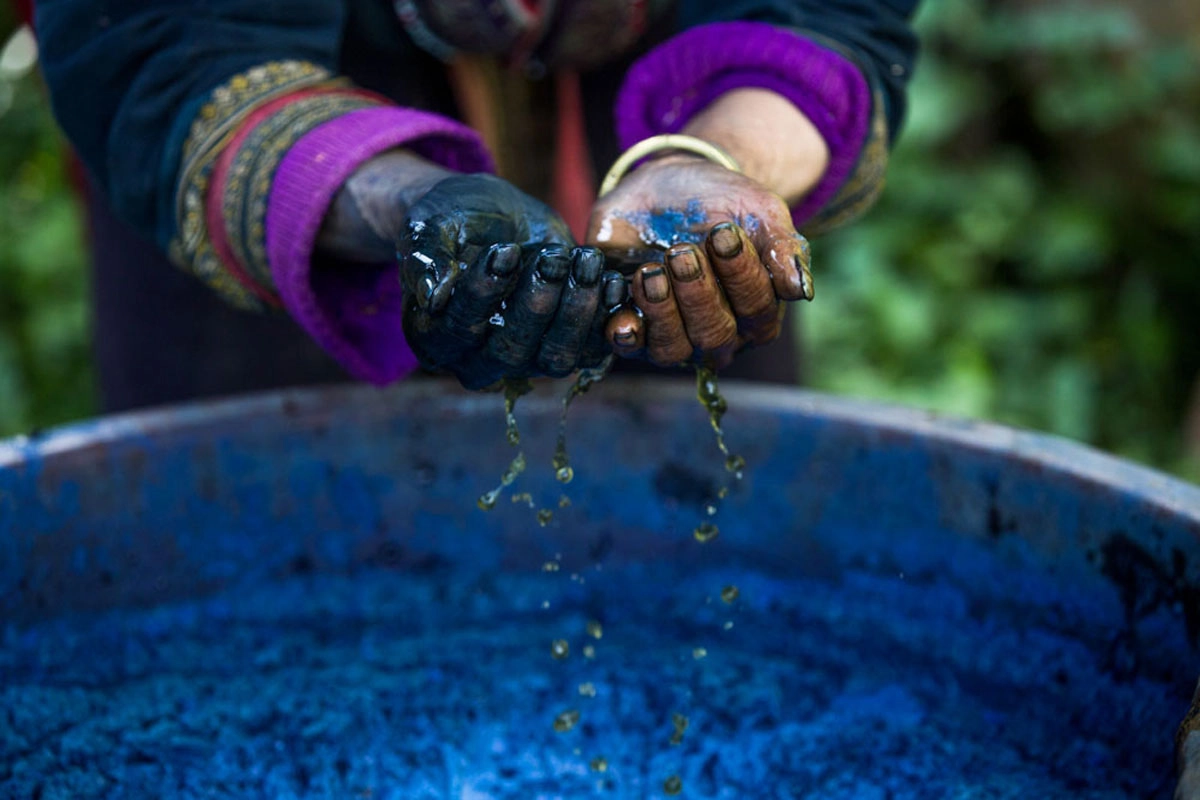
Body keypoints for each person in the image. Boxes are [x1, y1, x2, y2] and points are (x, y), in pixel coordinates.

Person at [28, 0, 919, 408]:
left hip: (679, 81)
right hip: (294, 115)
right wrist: (407, 206)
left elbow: (829, 16)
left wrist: (712, 162)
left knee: (705, 577)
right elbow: (168, 50)